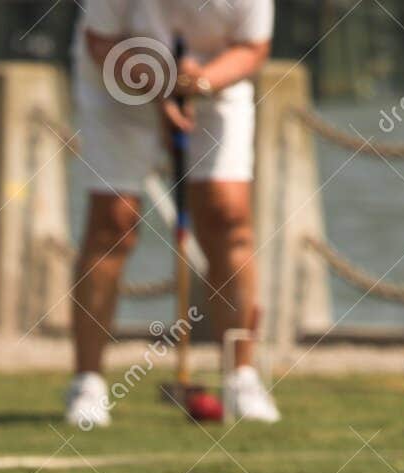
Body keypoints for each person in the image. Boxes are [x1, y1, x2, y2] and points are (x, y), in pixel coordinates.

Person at [66, 0, 280, 427]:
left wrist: (198, 83)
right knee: (114, 220)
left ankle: (241, 376)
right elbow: (101, 41)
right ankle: (87, 382)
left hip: (212, 78)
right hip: (118, 75)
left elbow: (252, 46)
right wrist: (161, 86)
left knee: (227, 213)